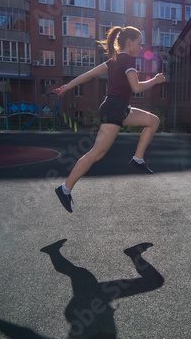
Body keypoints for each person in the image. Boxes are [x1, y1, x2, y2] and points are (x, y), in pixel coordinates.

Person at [52, 26, 166, 212]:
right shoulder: (127, 60)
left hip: (120, 108)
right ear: (129, 42)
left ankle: (138, 159)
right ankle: (65, 189)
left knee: (153, 121)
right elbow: (136, 88)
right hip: (115, 109)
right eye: (139, 43)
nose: (140, 47)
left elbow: (88, 75)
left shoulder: (113, 61)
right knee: (96, 153)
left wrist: (67, 86)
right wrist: (155, 80)